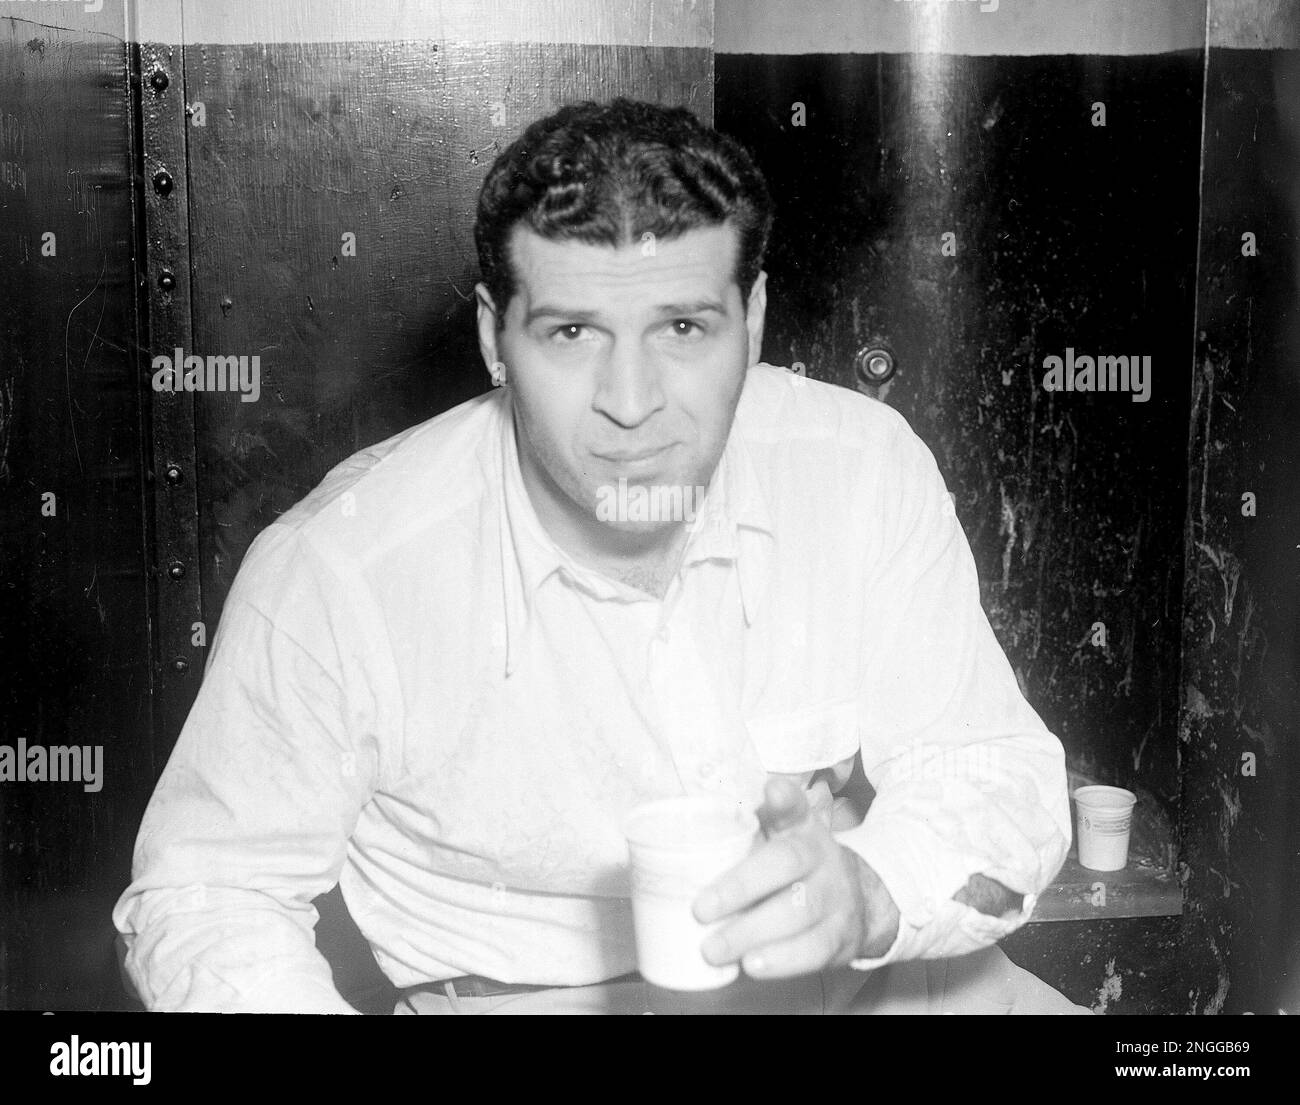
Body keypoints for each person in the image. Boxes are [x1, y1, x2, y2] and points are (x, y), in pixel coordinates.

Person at [113, 98, 1087, 1014]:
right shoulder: (339, 572)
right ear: (498, 337)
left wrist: (873, 892)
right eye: (574, 331)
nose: (632, 399)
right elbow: (207, 892)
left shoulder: (859, 467)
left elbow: (988, 768)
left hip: (863, 981)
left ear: (750, 322)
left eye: (681, 328)